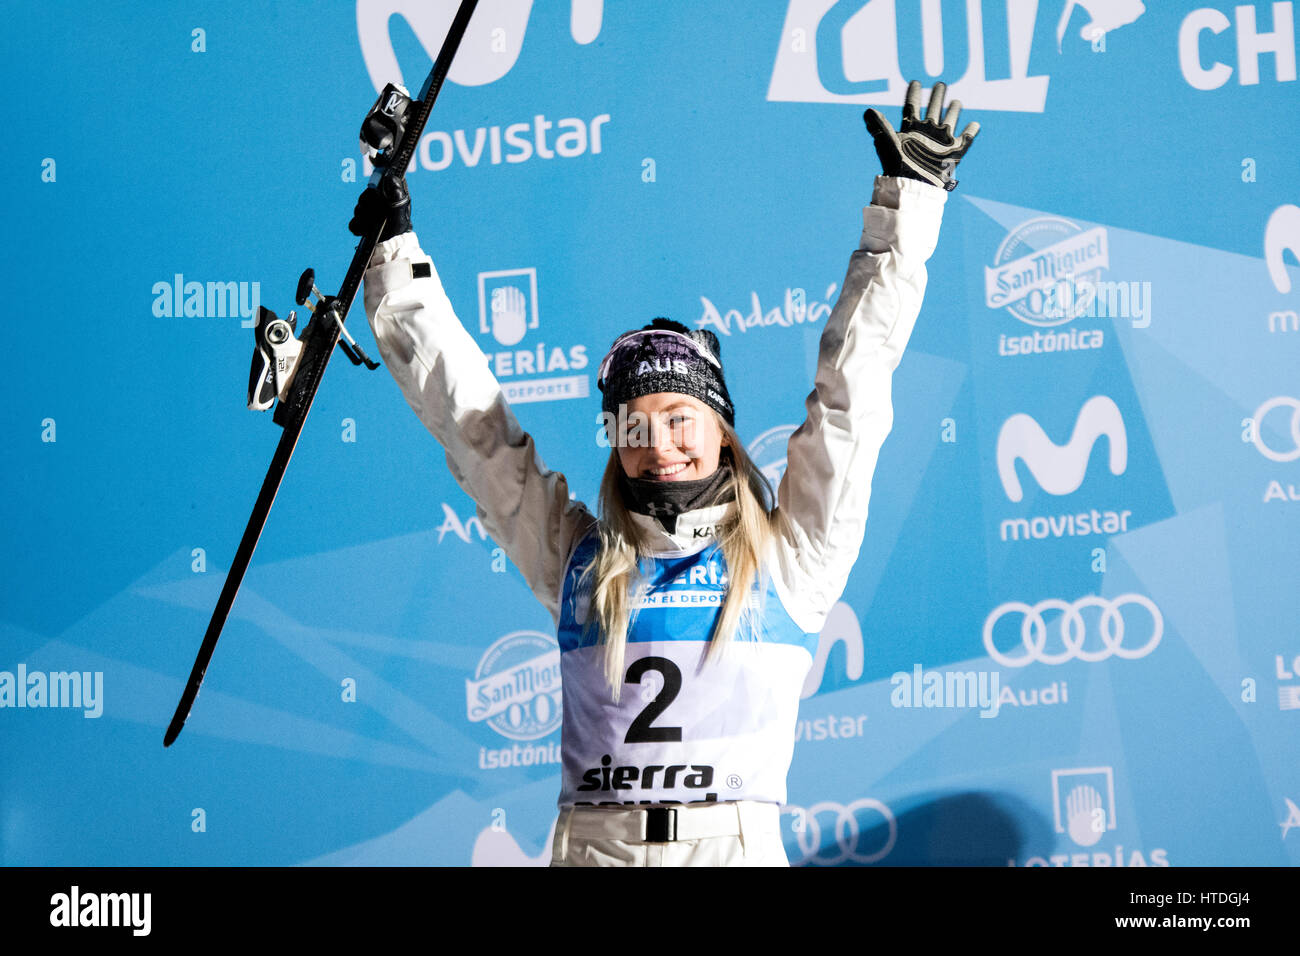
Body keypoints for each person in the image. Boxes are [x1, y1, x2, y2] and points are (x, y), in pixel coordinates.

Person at [354, 80, 978, 866]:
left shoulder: (792, 558)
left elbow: (852, 397)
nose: (661, 446)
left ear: (723, 430)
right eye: (634, 427)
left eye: (681, 419)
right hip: (593, 848)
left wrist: (908, 210)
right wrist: (393, 254)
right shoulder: (578, 559)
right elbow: (475, 430)